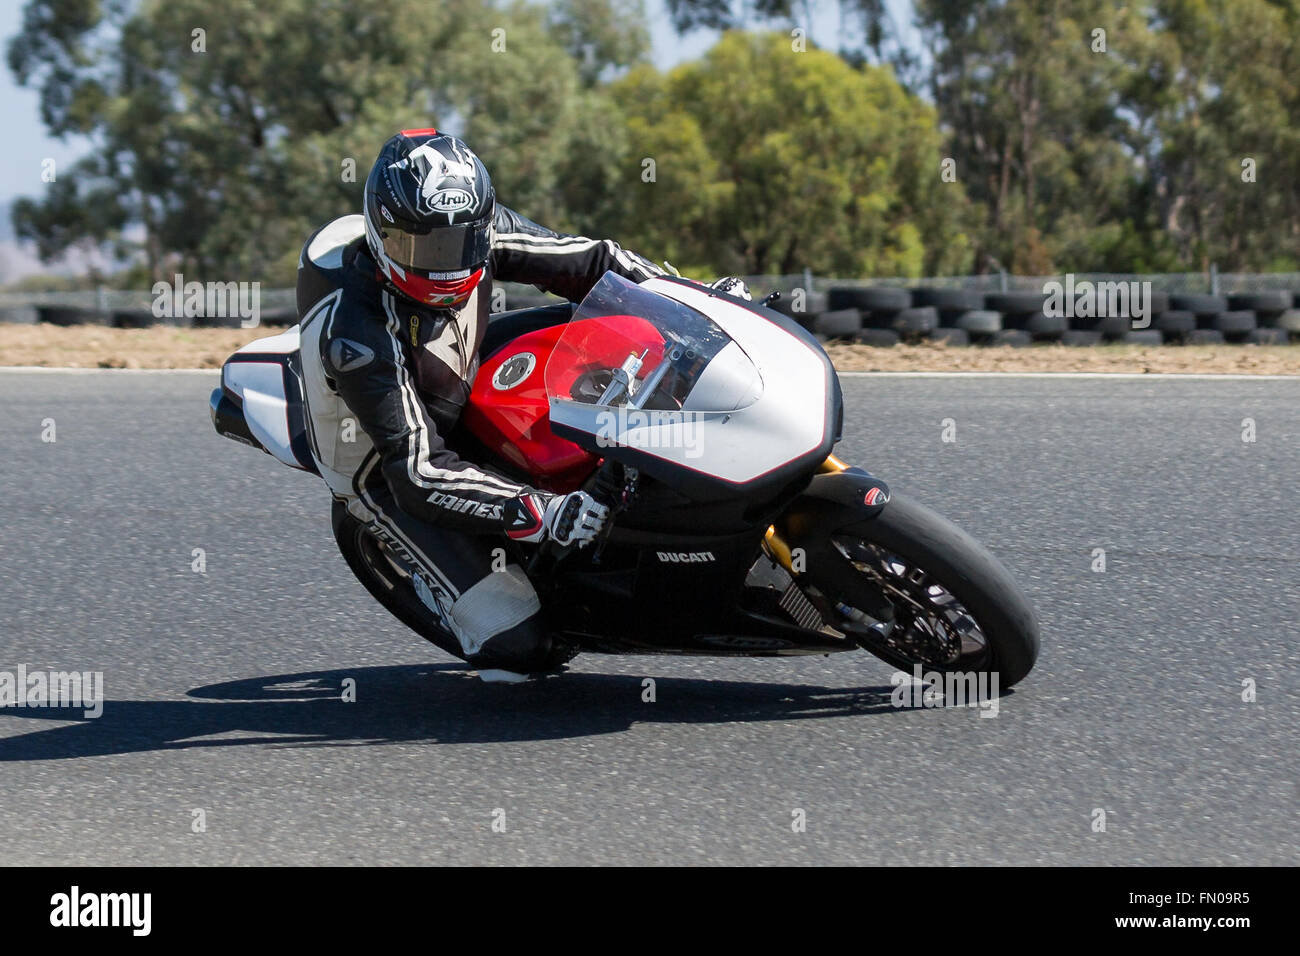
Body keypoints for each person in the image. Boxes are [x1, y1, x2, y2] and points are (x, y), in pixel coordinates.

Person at [294, 129, 745, 682]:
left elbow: (590, 260)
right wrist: (542, 512)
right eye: (425, 250)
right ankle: (472, 603)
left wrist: (694, 301)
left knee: (625, 349)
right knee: (525, 648)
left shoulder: (470, 231)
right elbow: (417, 471)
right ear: (383, 235)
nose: (446, 266)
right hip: (381, 462)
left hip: (460, 365)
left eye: (460, 247)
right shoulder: (358, 335)